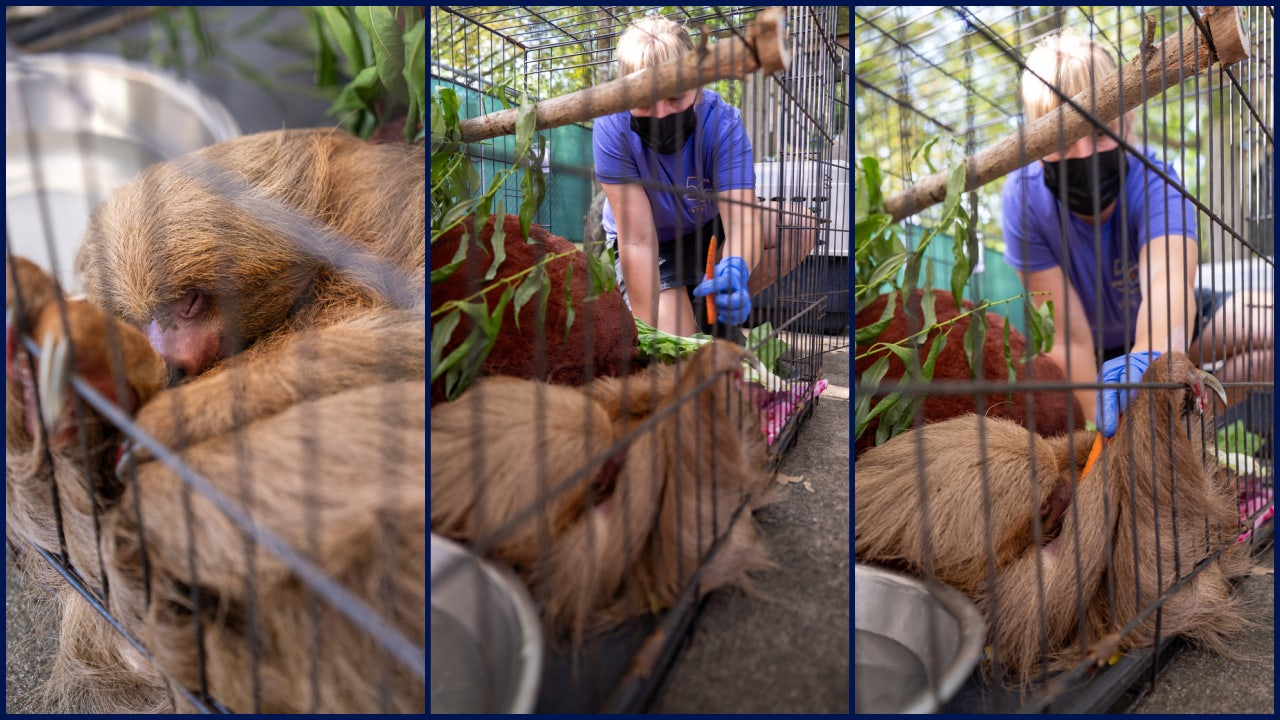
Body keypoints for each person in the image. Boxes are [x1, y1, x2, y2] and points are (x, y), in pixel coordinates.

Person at [1001, 30, 1271, 436]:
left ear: (1127, 122)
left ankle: (1177, 430)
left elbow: (1168, 297)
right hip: (1093, 349)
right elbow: (1069, 339)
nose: (1083, 154)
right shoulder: (1023, 198)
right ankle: (1144, 437)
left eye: (1098, 130)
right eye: (1061, 139)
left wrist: (1151, 365)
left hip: (1173, 326)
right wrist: (1104, 437)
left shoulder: (1157, 179)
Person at [592, 14, 815, 338]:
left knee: (799, 225)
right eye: (644, 101)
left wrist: (737, 266)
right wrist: (644, 333)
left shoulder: (722, 123)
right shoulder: (611, 125)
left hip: (710, 228)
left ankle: (714, 303)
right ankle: (684, 314)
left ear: (697, 86)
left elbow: (742, 222)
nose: (661, 114)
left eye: (674, 97)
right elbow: (638, 241)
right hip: (653, 241)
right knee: (676, 348)